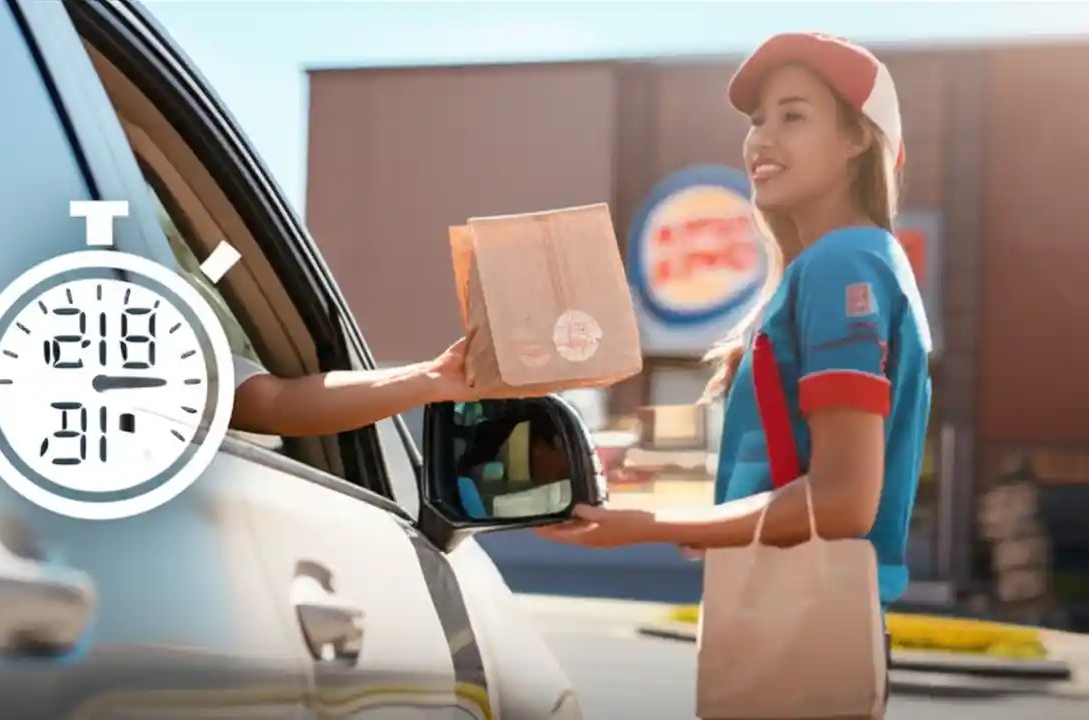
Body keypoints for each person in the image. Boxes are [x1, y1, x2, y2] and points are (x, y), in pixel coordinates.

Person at [537, 32, 933, 619]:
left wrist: (645, 525)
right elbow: (778, 453)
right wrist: (646, 458)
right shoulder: (854, 261)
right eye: (757, 119)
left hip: (804, 618)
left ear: (856, 138)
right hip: (805, 613)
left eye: (793, 116)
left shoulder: (841, 264)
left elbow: (844, 500)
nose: (761, 139)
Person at [228, 337, 478, 436]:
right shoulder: (192, 357)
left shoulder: (198, 361)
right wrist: (433, 378)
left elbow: (276, 404)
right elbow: (277, 405)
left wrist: (435, 377)